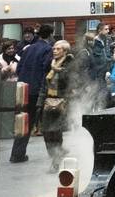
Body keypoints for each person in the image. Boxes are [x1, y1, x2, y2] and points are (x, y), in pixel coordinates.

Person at [10, 23, 53, 163]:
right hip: (37, 91)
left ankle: (17, 153)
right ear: (51, 35)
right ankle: (55, 157)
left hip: (23, 89)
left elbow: (19, 68)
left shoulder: (28, 48)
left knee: (23, 121)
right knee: (43, 122)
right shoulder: (48, 49)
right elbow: (46, 70)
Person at [36, 40, 75, 172]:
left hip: (62, 102)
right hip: (48, 102)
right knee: (46, 132)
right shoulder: (50, 64)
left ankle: (56, 162)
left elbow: (71, 83)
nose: (54, 51)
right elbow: (44, 84)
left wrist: (59, 70)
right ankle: (56, 154)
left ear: (65, 51)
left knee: (56, 132)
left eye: (58, 49)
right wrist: (39, 103)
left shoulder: (69, 65)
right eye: (54, 48)